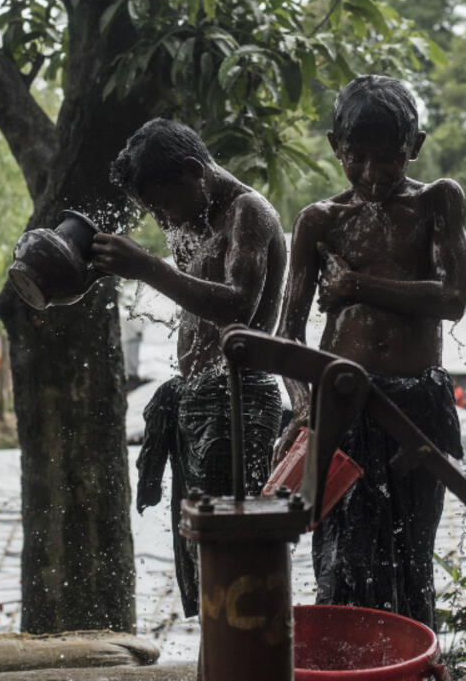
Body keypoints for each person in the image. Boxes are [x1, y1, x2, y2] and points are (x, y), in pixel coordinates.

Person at [275, 74, 466, 629]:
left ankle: (413, 656)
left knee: (412, 551)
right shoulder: (319, 221)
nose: (371, 173)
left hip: (416, 405)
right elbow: (288, 336)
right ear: (335, 146)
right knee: (343, 553)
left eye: (388, 159)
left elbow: (452, 299)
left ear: (415, 147)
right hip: (342, 406)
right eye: (356, 158)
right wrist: (304, 407)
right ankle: (346, 658)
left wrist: (356, 286)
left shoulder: (437, 202)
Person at [96, 118, 286, 618]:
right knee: (200, 562)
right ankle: (217, 654)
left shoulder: (248, 212)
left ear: (193, 171)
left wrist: (147, 268)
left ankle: (248, 654)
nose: (161, 218)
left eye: (163, 204)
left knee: (234, 557)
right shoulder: (189, 218)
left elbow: (239, 307)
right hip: (197, 397)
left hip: (240, 401)